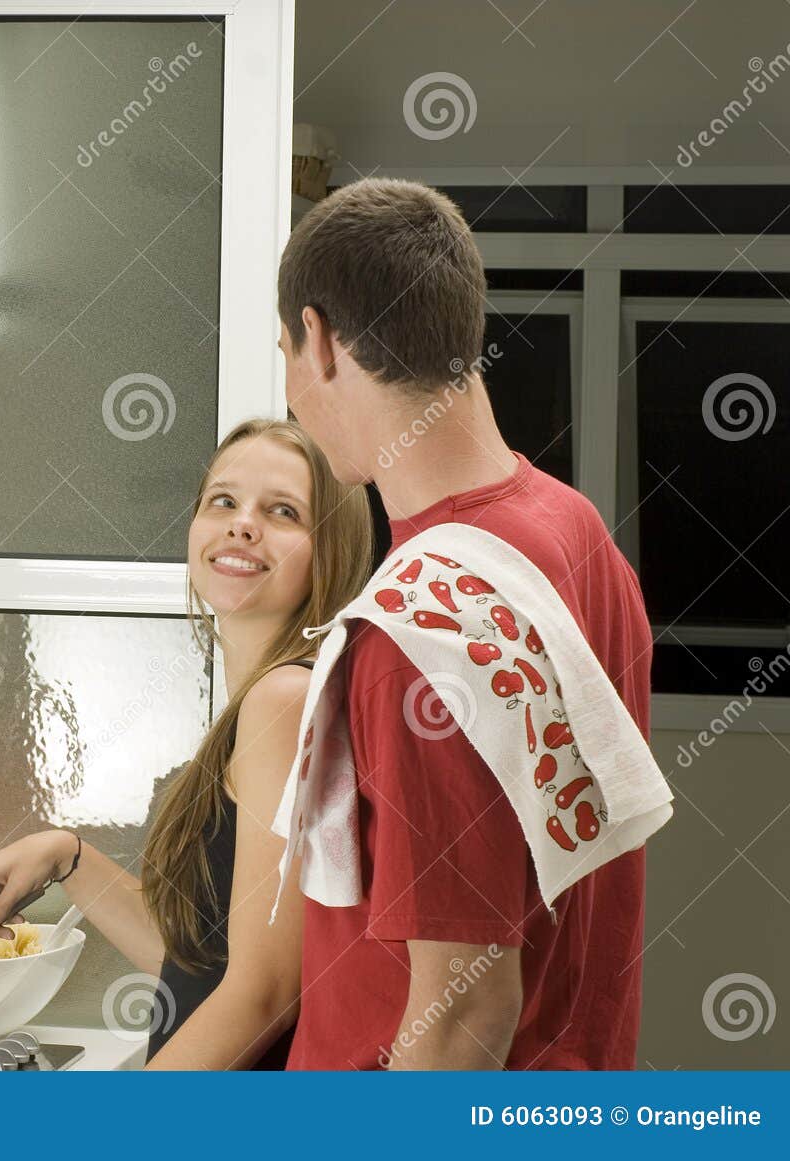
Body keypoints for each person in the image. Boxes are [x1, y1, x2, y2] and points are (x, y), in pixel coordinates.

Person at [275, 177, 657, 1069]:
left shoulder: (419, 635)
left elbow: (464, 1012)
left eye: (286, 350)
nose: (291, 389)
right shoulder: (577, 533)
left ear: (322, 341)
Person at [0, 419, 372, 1069]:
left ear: (332, 549)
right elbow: (197, 961)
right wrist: (70, 856)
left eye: (282, 511)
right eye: (223, 501)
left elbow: (266, 993)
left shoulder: (283, 700)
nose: (242, 524)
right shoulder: (260, 701)